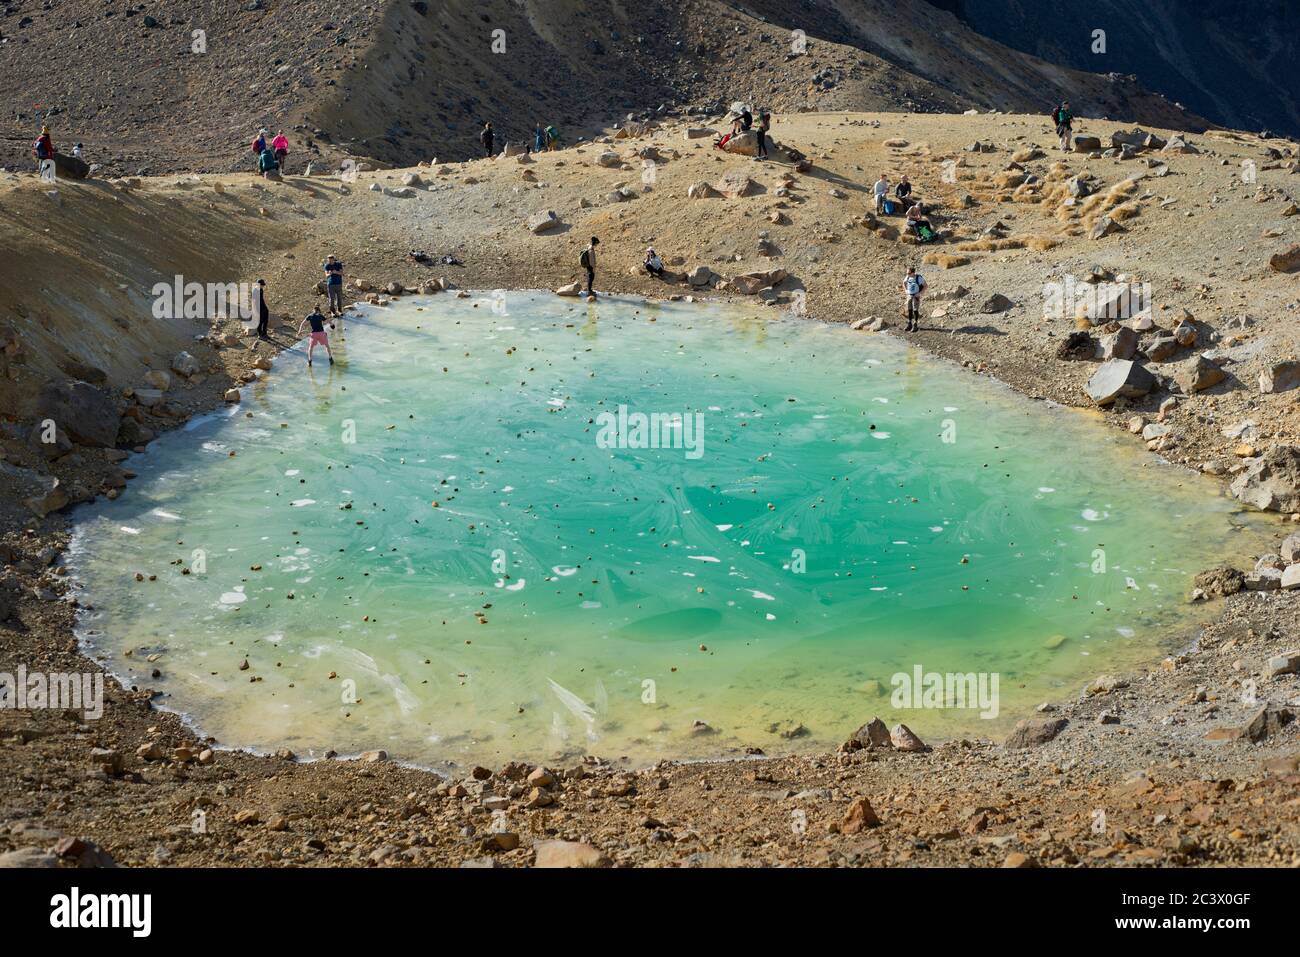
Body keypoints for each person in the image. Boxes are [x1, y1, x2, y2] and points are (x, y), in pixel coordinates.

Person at [296, 300, 335, 366]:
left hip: (314, 334)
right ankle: (330, 358)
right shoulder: (320, 316)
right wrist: (332, 326)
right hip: (321, 333)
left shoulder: (310, 316)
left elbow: (302, 323)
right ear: (319, 311)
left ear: (313, 310)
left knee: (311, 348)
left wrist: (299, 331)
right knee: (327, 346)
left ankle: (310, 361)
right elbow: (329, 321)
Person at [902, 266, 927, 333]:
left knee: (915, 310)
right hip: (909, 295)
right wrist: (906, 290)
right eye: (907, 273)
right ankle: (909, 323)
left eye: (909, 273)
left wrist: (919, 293)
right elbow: (904, 283)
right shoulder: (907, 277)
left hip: (916, 296)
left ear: (913, 273)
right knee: (909, 309)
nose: (908, 274)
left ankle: (915, 324)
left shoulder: (919, 278)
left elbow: (925, 286)